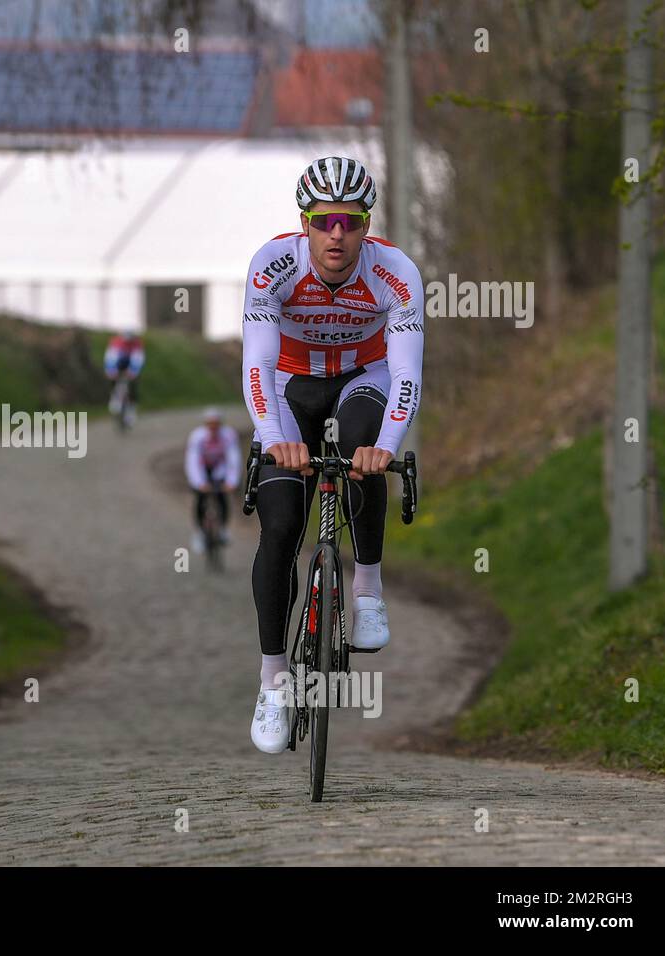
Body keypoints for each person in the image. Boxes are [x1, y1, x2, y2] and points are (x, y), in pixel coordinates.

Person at [241, 157, 424, 754]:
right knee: (283, 525)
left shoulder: (396, 274)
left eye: (350, 221)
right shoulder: (272, 266)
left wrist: (386, 450)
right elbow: (257, 367)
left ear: (367, 225)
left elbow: (405, 375)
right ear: (305, 223)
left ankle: (366, 589)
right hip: (292, 387)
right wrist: (274, 440)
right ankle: (273, 684)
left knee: (362, 446)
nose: (337, 235)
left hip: (363, 378)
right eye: (324, 222)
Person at [184, 407, 241, 553]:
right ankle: (200, 533)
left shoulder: (228, 435)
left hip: (220, 469)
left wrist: (231, 482)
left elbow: (233, 458)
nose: (213, 427)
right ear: (206, 424)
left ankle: (222, 528)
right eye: (210, 424)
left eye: (216, 424)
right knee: (200, 500)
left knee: (222, 498)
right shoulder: (197, 436)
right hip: (202, 469)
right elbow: (192, 461)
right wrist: (198, 483)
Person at [104, 331, 145, 416]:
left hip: (131, 362)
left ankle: (132, 407)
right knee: (112, 379)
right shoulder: (116, 342)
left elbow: (138, 358)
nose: (127, 343)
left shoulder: (137, 344)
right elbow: (111, 357)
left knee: (133, 383)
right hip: (119, 362)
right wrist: (111, 370)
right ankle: (114, 397)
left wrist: (134, 371)